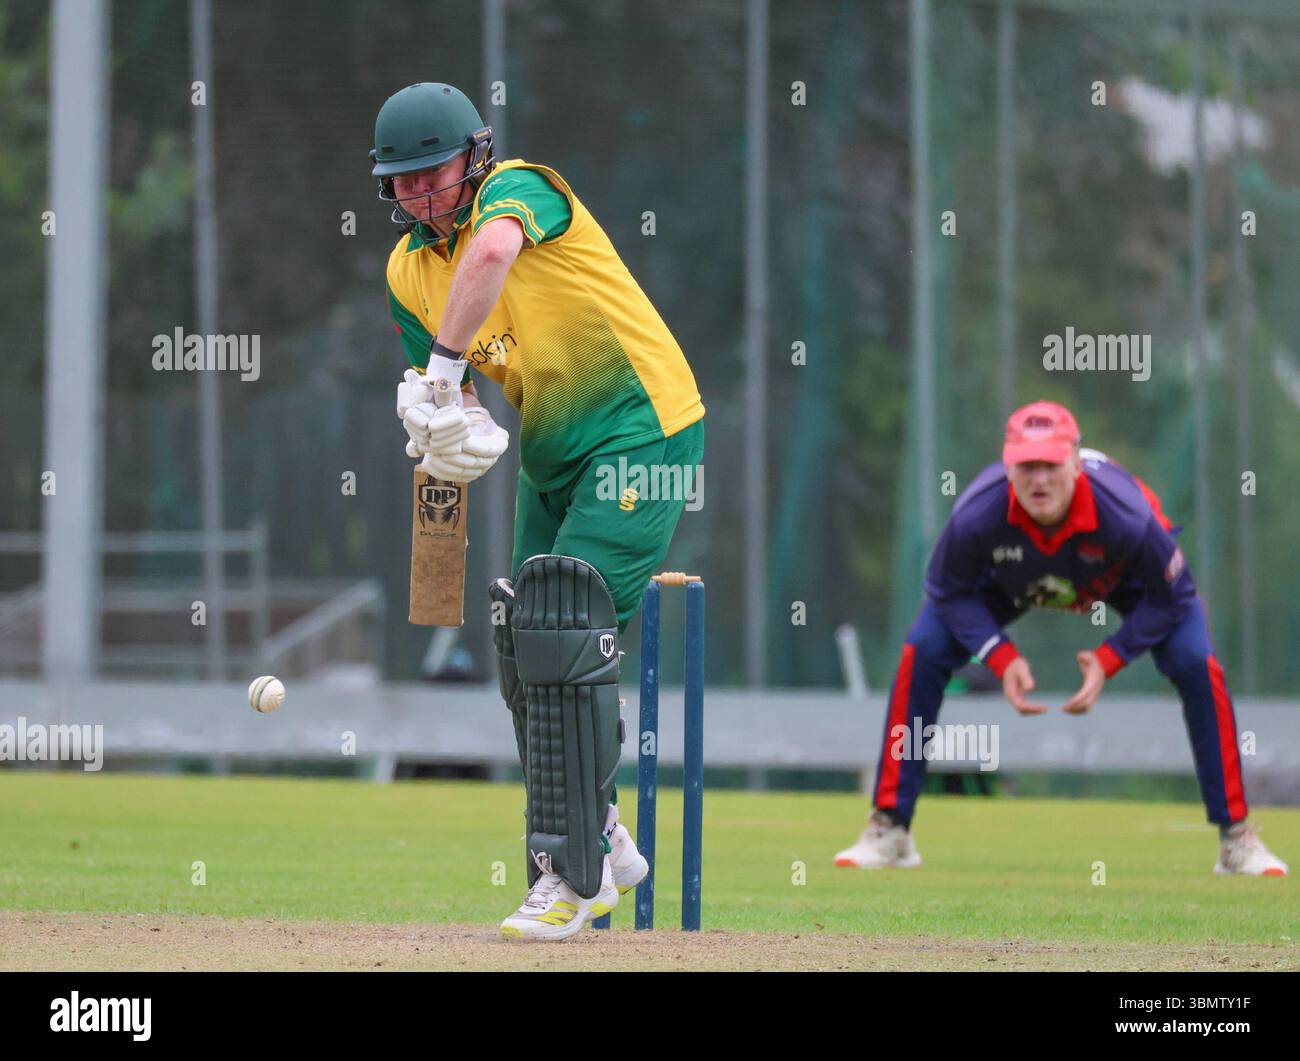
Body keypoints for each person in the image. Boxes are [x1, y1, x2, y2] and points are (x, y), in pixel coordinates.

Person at [372, 83, 706, 938]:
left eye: (432, 174)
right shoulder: (409, 271)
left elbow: (489, 259)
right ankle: (602, 834)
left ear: (473, 158)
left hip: (644, 432)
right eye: (401, 182)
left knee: (565, 628)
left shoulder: (523, 189)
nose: (419, 194)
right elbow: (467, 401)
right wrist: (454, 428)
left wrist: (440, 377)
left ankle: (573, 878)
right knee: (523, 646)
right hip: (553, 454)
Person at [834, 400, 1286, 877]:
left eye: (1050, 463)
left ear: (1075, 463)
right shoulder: (976, 514)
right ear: (1008, 468)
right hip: (1009, 580)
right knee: (922, 650)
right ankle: (890, 828)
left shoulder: (1126, 515)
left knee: (1196, 661)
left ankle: (1236, 838)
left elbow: (1175, 597)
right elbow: (947, 592)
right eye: (1027, 465)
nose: (1039, 478)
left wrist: (1110, 659)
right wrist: (1002, 657)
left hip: (1125, 582)